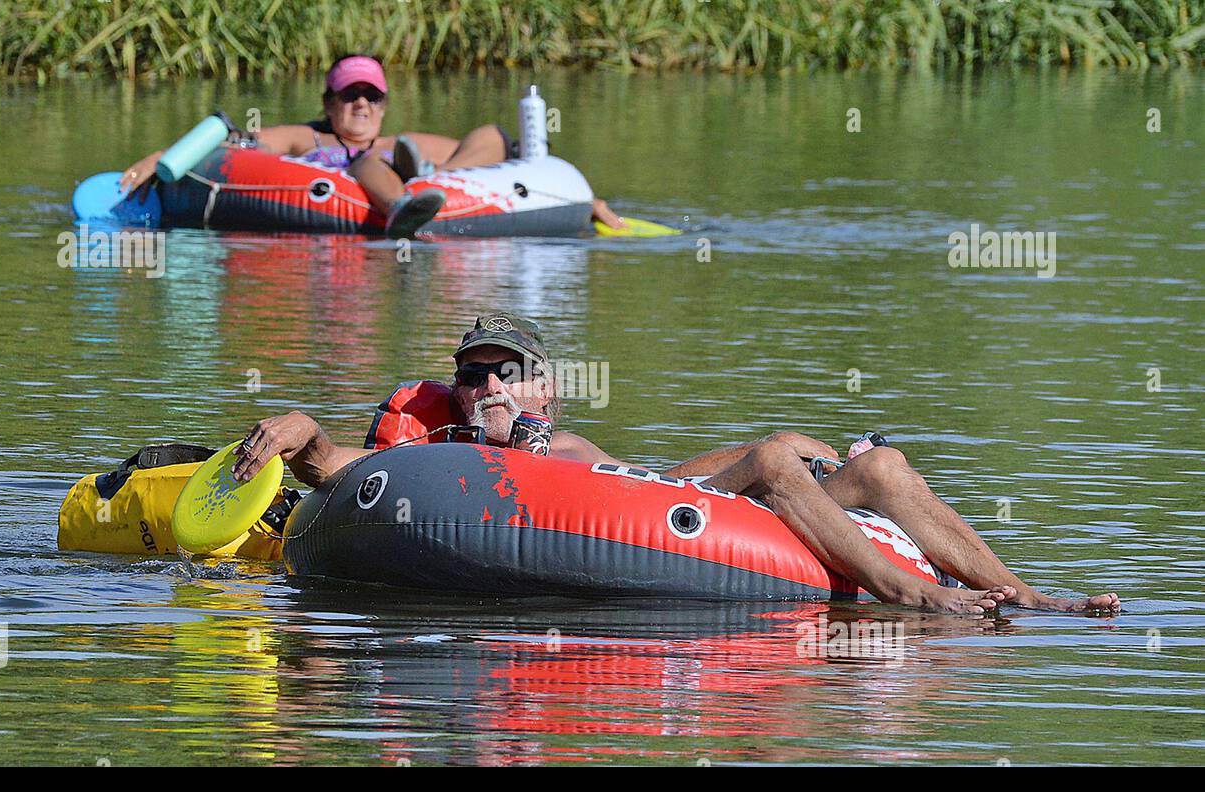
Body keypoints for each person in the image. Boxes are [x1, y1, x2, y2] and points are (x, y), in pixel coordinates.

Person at [231, 311, 1122, 616]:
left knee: (879, 466)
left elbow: (657, 486)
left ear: (543, 387)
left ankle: (1033, 596)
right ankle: (913, 596)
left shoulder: (567, 442)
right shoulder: (433, 453)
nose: (487, 384)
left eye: (506, 372)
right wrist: (295, 424)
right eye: (472, 374)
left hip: (647, 506)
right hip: (623, 511)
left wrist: (819, 454)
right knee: (779, 455)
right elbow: (329, 466)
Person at [120, 54, 624, 238]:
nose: (362, 104)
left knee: (482, 136)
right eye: (350, 94)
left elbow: (495, 145)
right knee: (364, 159)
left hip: (424, 179)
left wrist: (581, 201)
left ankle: (424, 183)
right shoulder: (310, 136)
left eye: (372, 95)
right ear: (330, 101)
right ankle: (402, 204)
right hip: (336, 195)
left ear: (383, 103)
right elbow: (234, 144)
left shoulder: (392, 139)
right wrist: (161, 157)